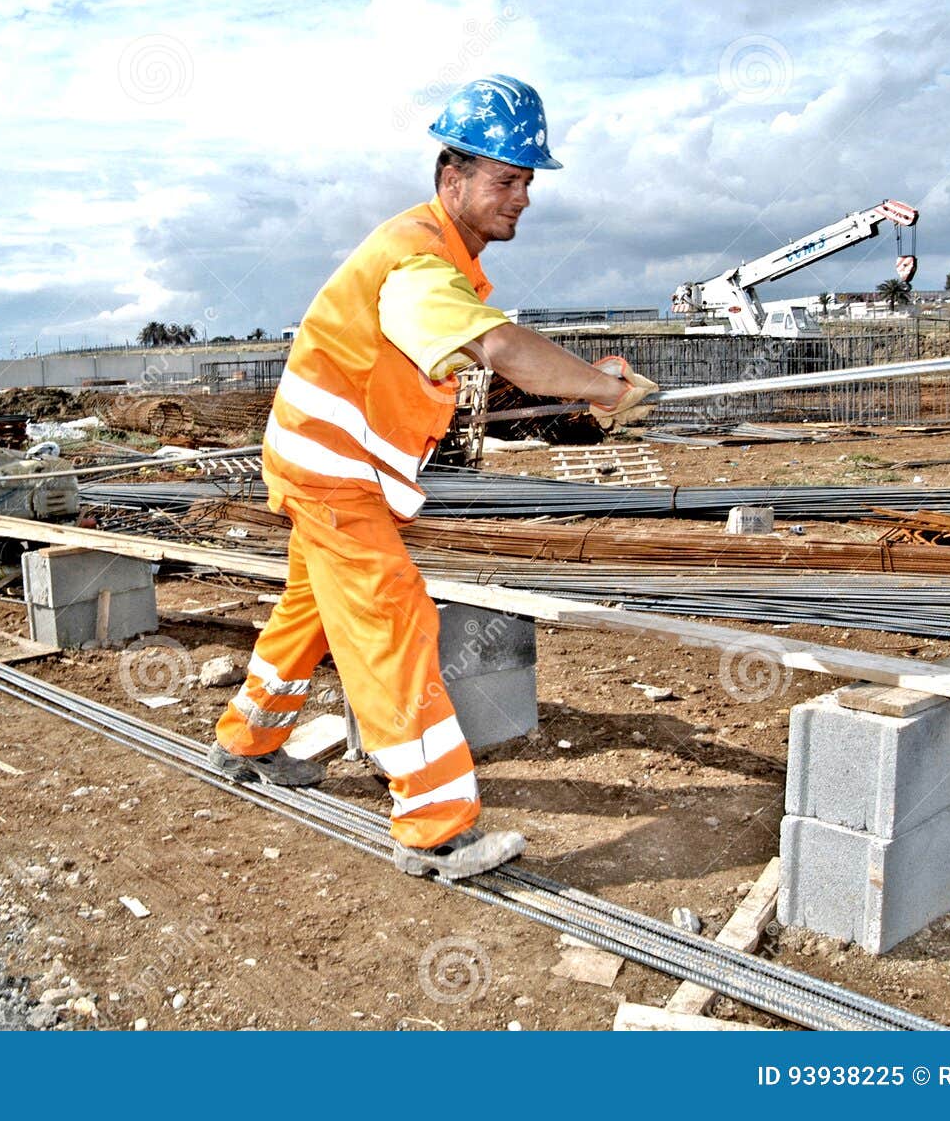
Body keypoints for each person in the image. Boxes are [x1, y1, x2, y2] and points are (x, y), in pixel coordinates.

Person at [209, 75, 659, 880]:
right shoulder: (418, 264)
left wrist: (583, 385)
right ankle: (435, 827)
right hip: (331, 473)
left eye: (526, 182)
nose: (521, 198)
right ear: (452, 178)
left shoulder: (435, 258)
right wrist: (604, 389)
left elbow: (477, 360)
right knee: (393, 620)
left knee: (310, 610)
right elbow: (498, 348)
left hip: (327, 465)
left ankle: (248, 740)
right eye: (505, 180)